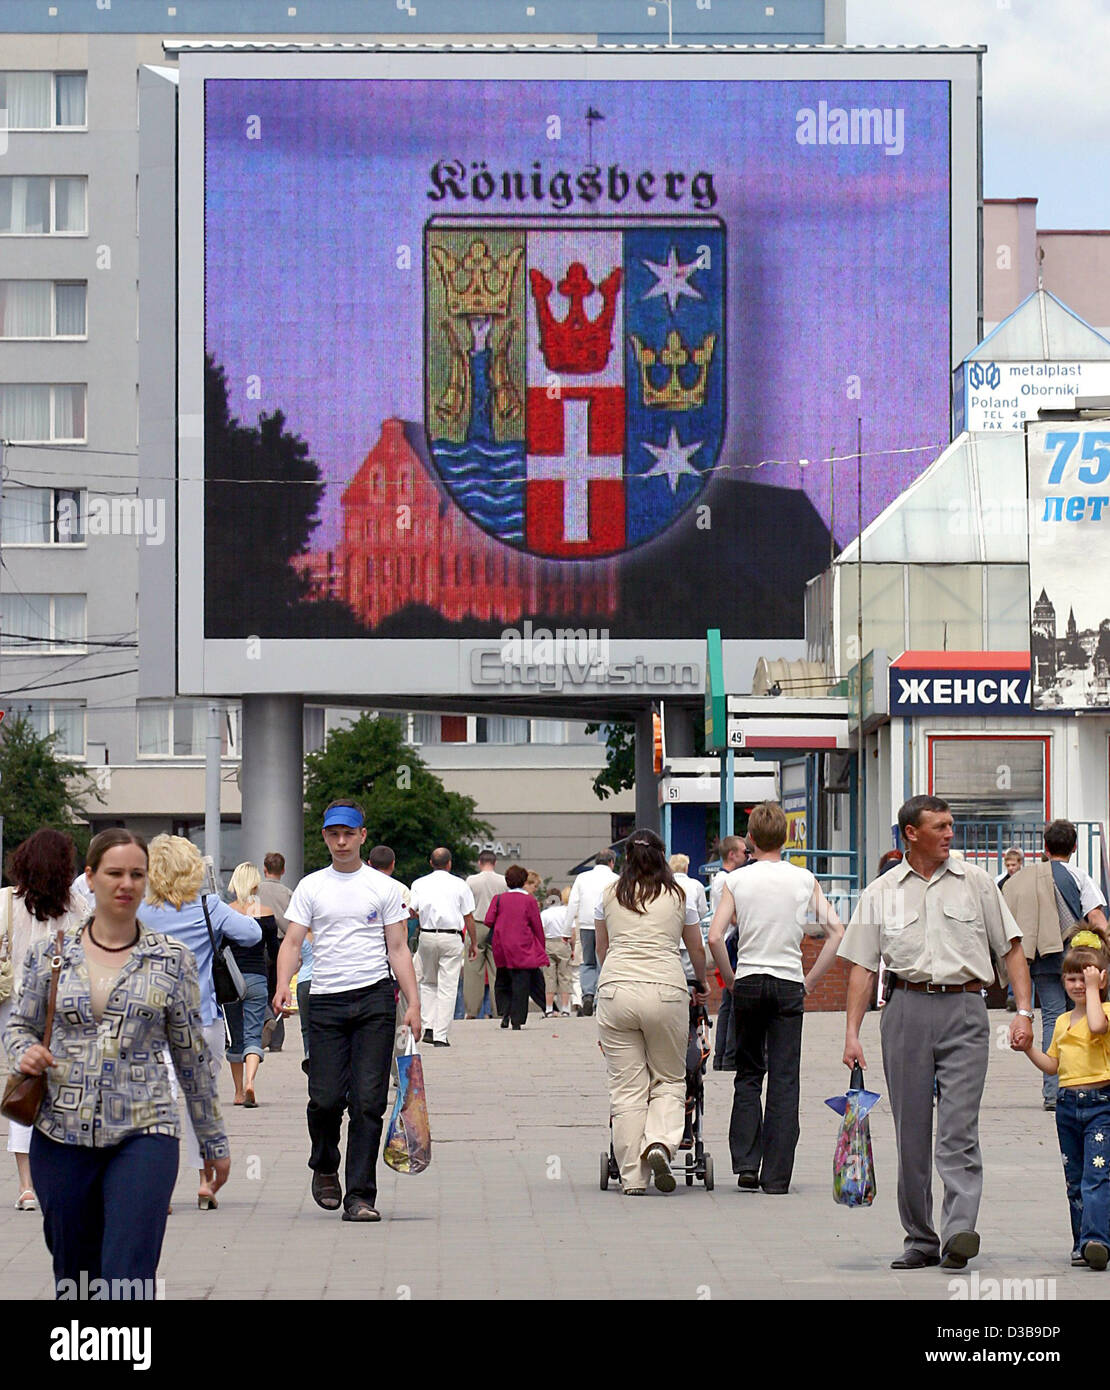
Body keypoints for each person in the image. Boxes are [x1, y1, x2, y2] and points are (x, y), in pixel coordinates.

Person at [3, 829, 229, 1299]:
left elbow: (192, 1058)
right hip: (60, 1132)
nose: (126, 884)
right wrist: (23, 1052)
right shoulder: (53, 953)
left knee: (128, 1273)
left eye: (136, 874)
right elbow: (17, 1027)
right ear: (90, 877)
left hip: (145, 1130)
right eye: (114, 873)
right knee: (76, 1274)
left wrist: (213, 1141)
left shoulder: (171, 959)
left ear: (147, 881)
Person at [838, 794, 1033, 1270]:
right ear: (912, 833)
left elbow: (1010, 949)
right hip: (904, 1010)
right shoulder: (879, 892)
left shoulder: (978, 883)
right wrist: (851, 1033)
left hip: (966, 1010)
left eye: (951, 825)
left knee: (959, 1127)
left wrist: (1024, 1010)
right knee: (911, 1131)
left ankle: (959, 1231)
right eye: (940, 826)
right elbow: (863, 968)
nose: (950, 833)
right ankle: (920, 1238)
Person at [274, 801, 420, 1222]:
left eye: (348, 834)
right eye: (333, 834)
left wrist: (413, 1003)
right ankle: (324, 1163)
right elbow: (292, 942)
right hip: (325, 1000)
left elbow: (398, 948)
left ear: (362, 836)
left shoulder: (384, 887)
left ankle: (360, 1195)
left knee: (369, 1101)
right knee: (324, 1099)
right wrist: (283, 984)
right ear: (325, 837)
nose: (341, 842)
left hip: (374, 998)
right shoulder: (311, 886)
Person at [708, 802, 845, 1194]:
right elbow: (835, 931)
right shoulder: (804, 879)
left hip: (749, 980)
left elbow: (716, 936)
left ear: (749, 839)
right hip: (788, 983)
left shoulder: (738, 881)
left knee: (749, 1073)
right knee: (785, 1078)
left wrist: (730, 979)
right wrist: (811, 981)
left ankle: (747, 1163)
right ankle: (777, 1176)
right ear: (786, 837)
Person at [141, 833, 261, 1209]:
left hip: (148, 1020)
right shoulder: (209, 906)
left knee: (156, 1105)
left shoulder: (139, 909)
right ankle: (205, 1181)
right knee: (201, 1102)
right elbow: (253, 934)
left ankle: (154, 1184)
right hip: (201, 1017)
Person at [594, 828, 708, 1196]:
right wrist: (702, 983)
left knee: (627, 1089)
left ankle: (632, 1179)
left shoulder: (609, 895)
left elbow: (601, 950)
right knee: (670, 1079)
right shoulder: (680, 895)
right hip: (666, 992)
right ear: (662, 857)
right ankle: (659, 1142)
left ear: (626, 858)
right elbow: (696, 950)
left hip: (616, 992)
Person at [0, 829, 84, 1212]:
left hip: (14, 1010)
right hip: (66, 1011)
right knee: (67, 1089)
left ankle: (27, 1184)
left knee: (22, 1084)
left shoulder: (3, 903)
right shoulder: (80, 906)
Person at [1016, 927, 1110, 1268]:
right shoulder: (1062, 1022)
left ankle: (1097, 1239)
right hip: (1068, 1107)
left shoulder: (1105, 1013)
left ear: (1101, 979)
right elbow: (1052, 1065)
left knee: (1096, 1177)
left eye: (1083, 979)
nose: (1077, 986)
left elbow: (1097, 1026)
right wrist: (1028, 1050)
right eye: (1071, 979)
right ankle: (1080, 1242)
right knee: (1074, 1180)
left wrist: (1096, 990)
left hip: (1101, 1105)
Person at [1004, 820, 1108, 1112]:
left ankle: (1052, 1092)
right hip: (1076, 959)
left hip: (1042, 958)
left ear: (1045, 848)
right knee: (1085, 1013)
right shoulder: (1078, 877)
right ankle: (1085, 1080)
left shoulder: (1025, 877)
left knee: (1052, 1017)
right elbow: (1096, 916)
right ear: (1074, 847)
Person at [410, 847, 475, 1048]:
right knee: (448, 986)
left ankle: (428, 1025)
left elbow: (412, 911)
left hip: (428, 935)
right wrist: (474, 941)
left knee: (428, 982)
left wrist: (425, 916)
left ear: (431, 862)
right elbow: (468, 916)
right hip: (452, 936)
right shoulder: (460, 884)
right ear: (449, 863)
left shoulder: (419, 883)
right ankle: (440, 1034)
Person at [225, 862, 277, 1108]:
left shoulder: (226, 912)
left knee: (235, 1034)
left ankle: (237, 1092)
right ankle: (250, 1083)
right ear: (256, 884)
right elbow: (275, 953)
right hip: (257, 977)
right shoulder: (266, 913)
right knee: (253, 1032)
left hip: (231, 981)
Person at [487, 866, 548, 1029]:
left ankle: (504, 1013)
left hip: (502, 945)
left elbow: (488, 920)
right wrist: (541, 947)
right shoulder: (529, 900)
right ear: (523, 881)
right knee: (521, 983)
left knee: (503, 980)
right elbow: (536, 925)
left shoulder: (498, 898)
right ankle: (517, 1019)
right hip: (523, 946)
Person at [709, 836, 751, 1071]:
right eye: (745, 853)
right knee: (733, 1001)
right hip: (731, 943)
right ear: (732, 854)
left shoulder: (720, 880)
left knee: (728, 1002)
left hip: (726, 941)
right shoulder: (727, 880)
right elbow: (734, 915)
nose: (748, 857)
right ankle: (729, 1054)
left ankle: (722, 1056)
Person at [565, 849, 617, 1017]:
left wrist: (566, 930)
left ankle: (587, 994)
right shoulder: (616, 879)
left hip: (586, 924)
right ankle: (600, 999)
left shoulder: (582, 878)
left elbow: (573, 903)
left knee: (587, 962)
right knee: (604, 961)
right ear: (611, 862)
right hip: (608, 925)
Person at [257, 851, 293, 1052]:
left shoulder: (257, 891)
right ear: (283, 870)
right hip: (281, 944)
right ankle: (277, 1040)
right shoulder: (288, 893)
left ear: (264, 869)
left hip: (260, 944)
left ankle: (264, 1027)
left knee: (261, 991)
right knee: (278, 989)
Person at [463, 850, 506, 1019]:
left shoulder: (471, 881)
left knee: (473, 969)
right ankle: (499, 1009)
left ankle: (472, 1011)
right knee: (497, 970)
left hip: (476, 924)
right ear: (494, 863)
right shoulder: (503, 881)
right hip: (497, 926)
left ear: (479, 863)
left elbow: (466, 905)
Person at [541, 891, 573, 1017]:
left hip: (548, 943)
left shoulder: (544, 914)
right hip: (563, 941)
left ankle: (549, 1008)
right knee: (565, 977)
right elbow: (573, 930)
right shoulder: (566, 912)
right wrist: (572, 947)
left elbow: (541, 930)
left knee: (549, 977)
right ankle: (565, 1008)